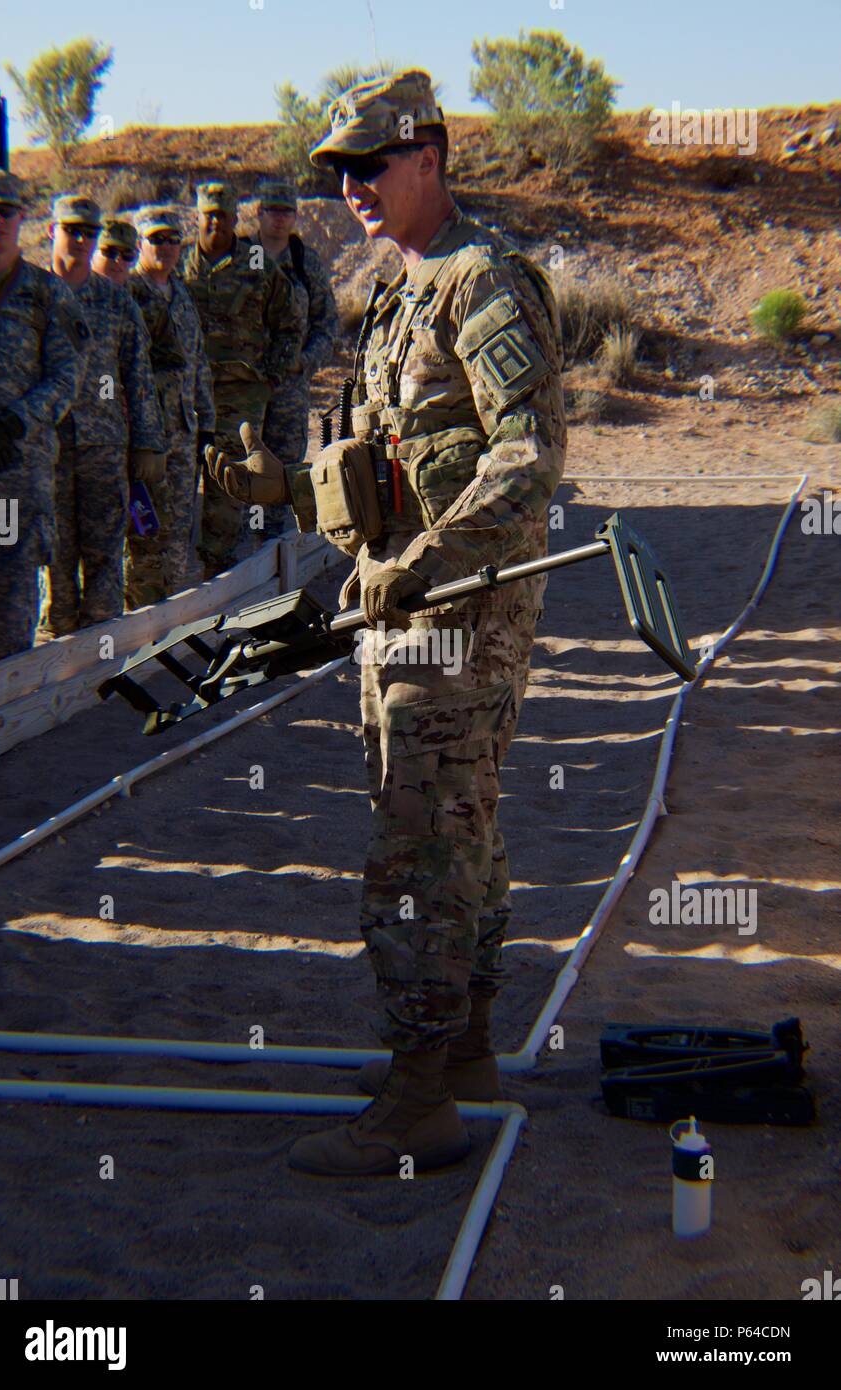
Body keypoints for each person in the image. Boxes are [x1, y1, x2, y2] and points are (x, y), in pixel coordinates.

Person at [207, 71, 567, 1176]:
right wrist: (281, 489)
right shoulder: (396, 289)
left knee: (418, 844)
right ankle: (457, 1057)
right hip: (399, 608)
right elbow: (387, 463)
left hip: (457, 614)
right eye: (338, 173)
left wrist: (425, 560)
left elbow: (525, 457)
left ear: (428, 159)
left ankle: (417, 1100)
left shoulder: (481, 280)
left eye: (369, 166)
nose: (351, 188)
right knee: (452, 831)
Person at [0, 168, 89, 664]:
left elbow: (69, 374)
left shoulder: (46, 293)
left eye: (4, 211)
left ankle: (2, 721)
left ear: (22, 217)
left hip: (10, 476)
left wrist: (16, 422)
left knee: (7, 598)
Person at [43, 194, 165, 634]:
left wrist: (147, 444)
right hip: (46, 449)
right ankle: (54, 662)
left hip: (104, 449)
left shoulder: (117, 304)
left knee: (103, 557)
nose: (79, 239)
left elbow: (139, 377)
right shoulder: (32, 295)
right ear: (51, 231)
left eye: (87, 232)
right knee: (53, 557)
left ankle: (100, 663)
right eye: (71, 229)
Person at [180, 182, 303, 577]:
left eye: (223, 215)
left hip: (240, 399)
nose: (215, 222)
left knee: (229, 493)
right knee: (180, 492)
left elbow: (289, 323)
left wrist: (272, 378)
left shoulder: (255, 263)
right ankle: (176, 585)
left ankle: (222, 584)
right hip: (185, 399)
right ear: (197, 218)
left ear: (235, 219)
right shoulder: (180, 264)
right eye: (208, 215)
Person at [126, 206, 215, 607]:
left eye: (172, 240)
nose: (164, 247)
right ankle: (138, 619)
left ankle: (171, 613)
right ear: (139, 246)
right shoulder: (128, 294)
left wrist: (207, 423)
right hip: (142, 437)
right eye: (155, 239)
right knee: (143, 526)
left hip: (182, 431)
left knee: (179, 525)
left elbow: (198, 364)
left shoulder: (182, 296)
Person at [254, 175, 339, 539]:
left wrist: (305, 363)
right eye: (272, 210)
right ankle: (230, 548)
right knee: (240, 461)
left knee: (284, 466)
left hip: (289, 386)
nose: (279, 218)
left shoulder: (305, 261)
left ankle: (271, 546)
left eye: (286, 211)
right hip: (245, 384)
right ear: (259, 213)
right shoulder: (243, 255)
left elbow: (328, 323)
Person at [92, 217, 138, 288]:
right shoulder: (75, 289)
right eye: (110, 252)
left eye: (127, 254)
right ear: (92, 254)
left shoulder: (139, 294)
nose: (118, 260)